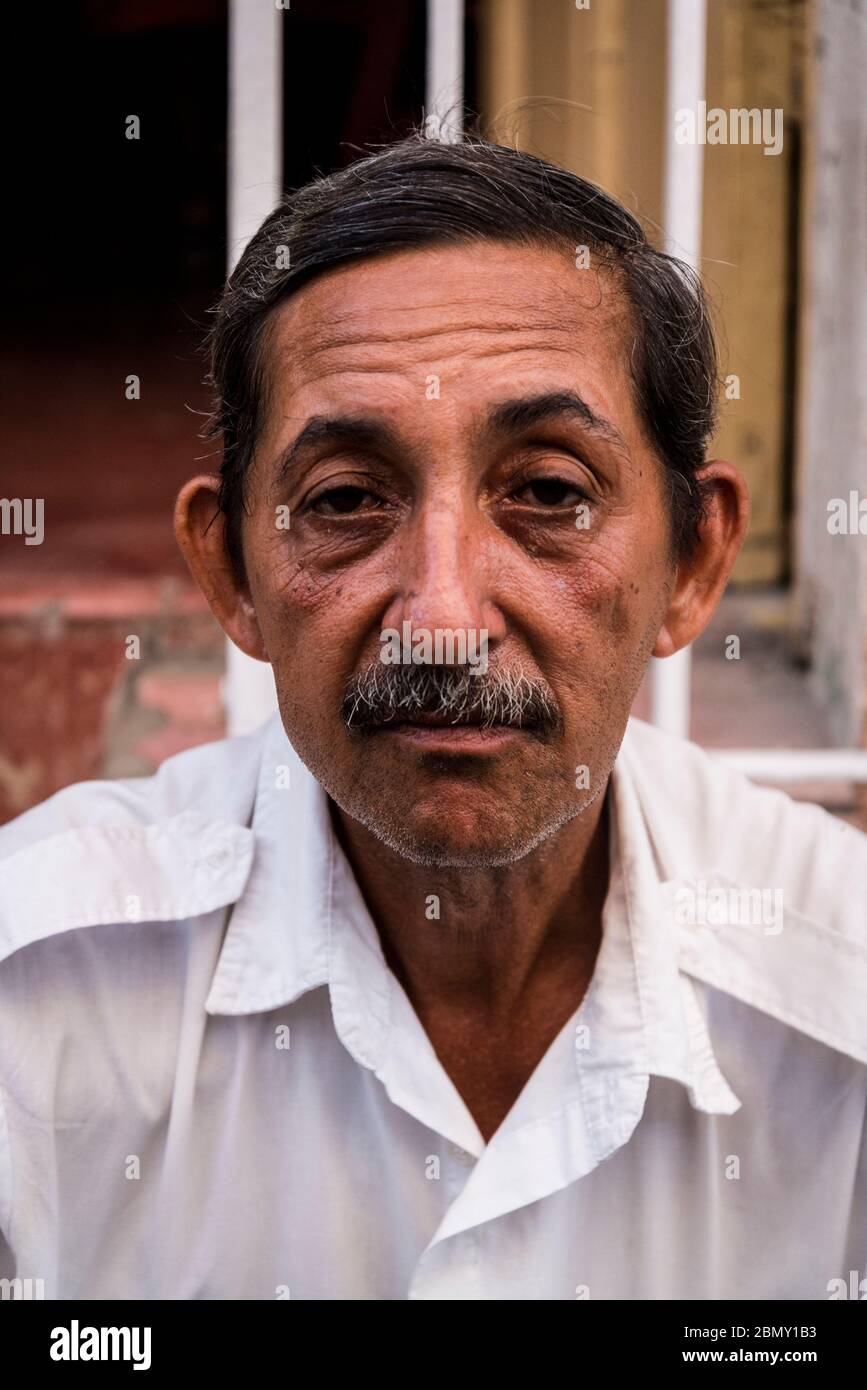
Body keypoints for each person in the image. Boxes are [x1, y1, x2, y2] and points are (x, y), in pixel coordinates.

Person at [1, 135, 864, 1301]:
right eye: (348, 500)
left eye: (550, 493)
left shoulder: (837, 1006)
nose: (444, 618)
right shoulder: (42, 993)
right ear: (233, 577)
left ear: (692, 564)